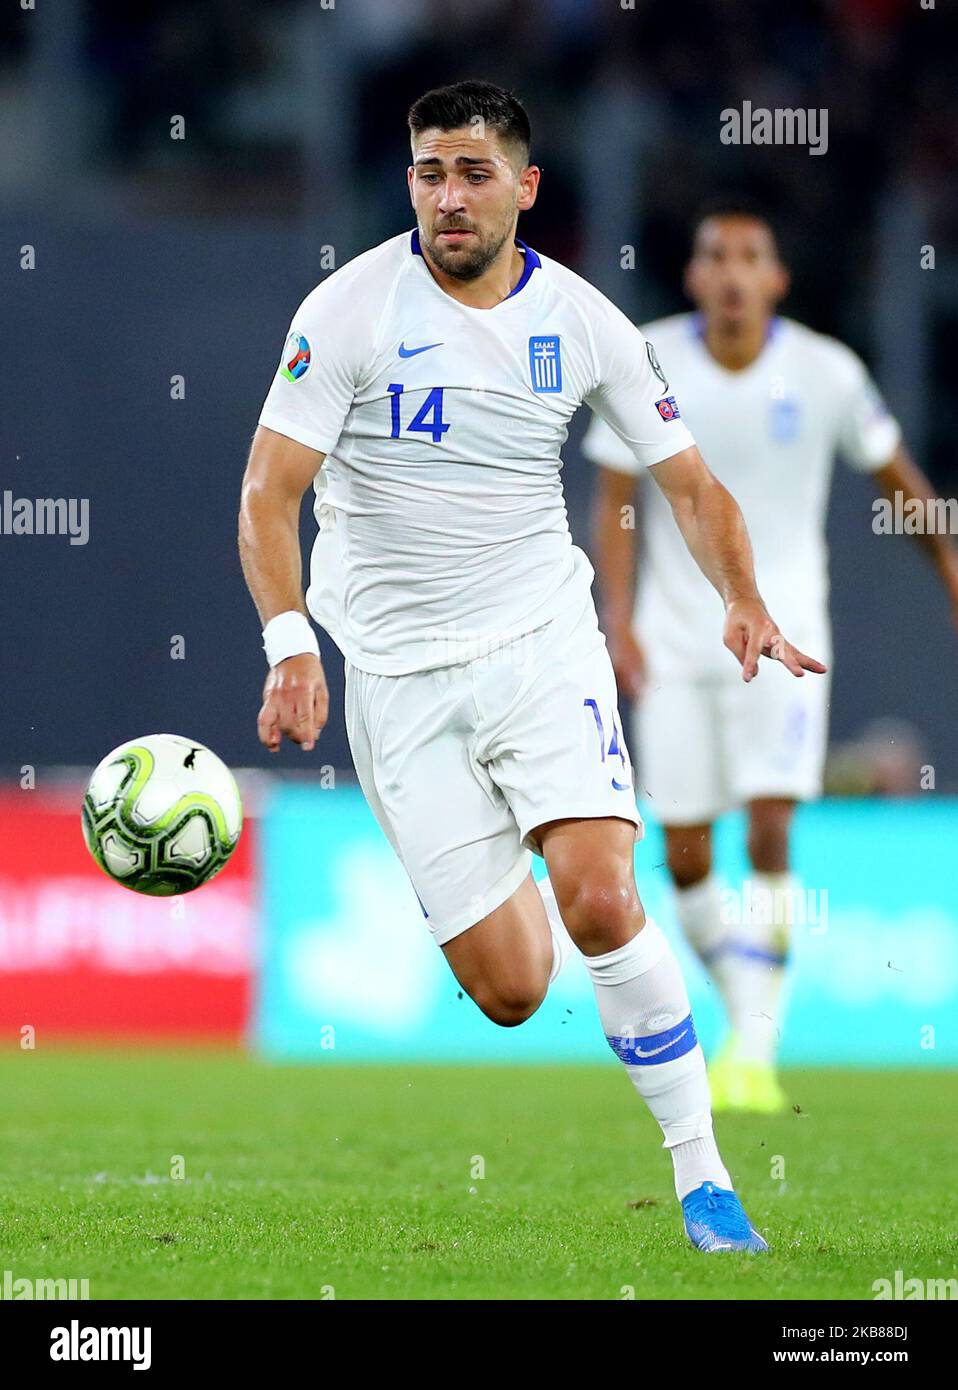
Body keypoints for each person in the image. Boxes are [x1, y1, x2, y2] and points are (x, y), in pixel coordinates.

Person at [239, 85, 823, 1252]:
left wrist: (743, 598)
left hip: (540, 645)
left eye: (469, 172)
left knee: (604, 899)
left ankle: (706, 1182)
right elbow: (269, 496)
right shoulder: (347, 309)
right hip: (400, 678)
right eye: (425, 173)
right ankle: (504, 846)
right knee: (510, 990)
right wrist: (292, 646)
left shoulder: (589, 323)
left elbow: (693, 486)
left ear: (524, 187)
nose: (446, 196)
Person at [584, 202, 958, 1112]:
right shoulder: (648, 358)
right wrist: (618, 619)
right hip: (676, 643)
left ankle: (755, 1048)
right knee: (681, 852)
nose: (735, 272)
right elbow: (617, 499)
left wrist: (949, 562)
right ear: (696, 276)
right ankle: (746, 1009)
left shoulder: (827, 372)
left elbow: (896, 477)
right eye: (717, 255)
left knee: (769, 829)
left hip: (787, 637)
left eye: (752, 256)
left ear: (778, 280)